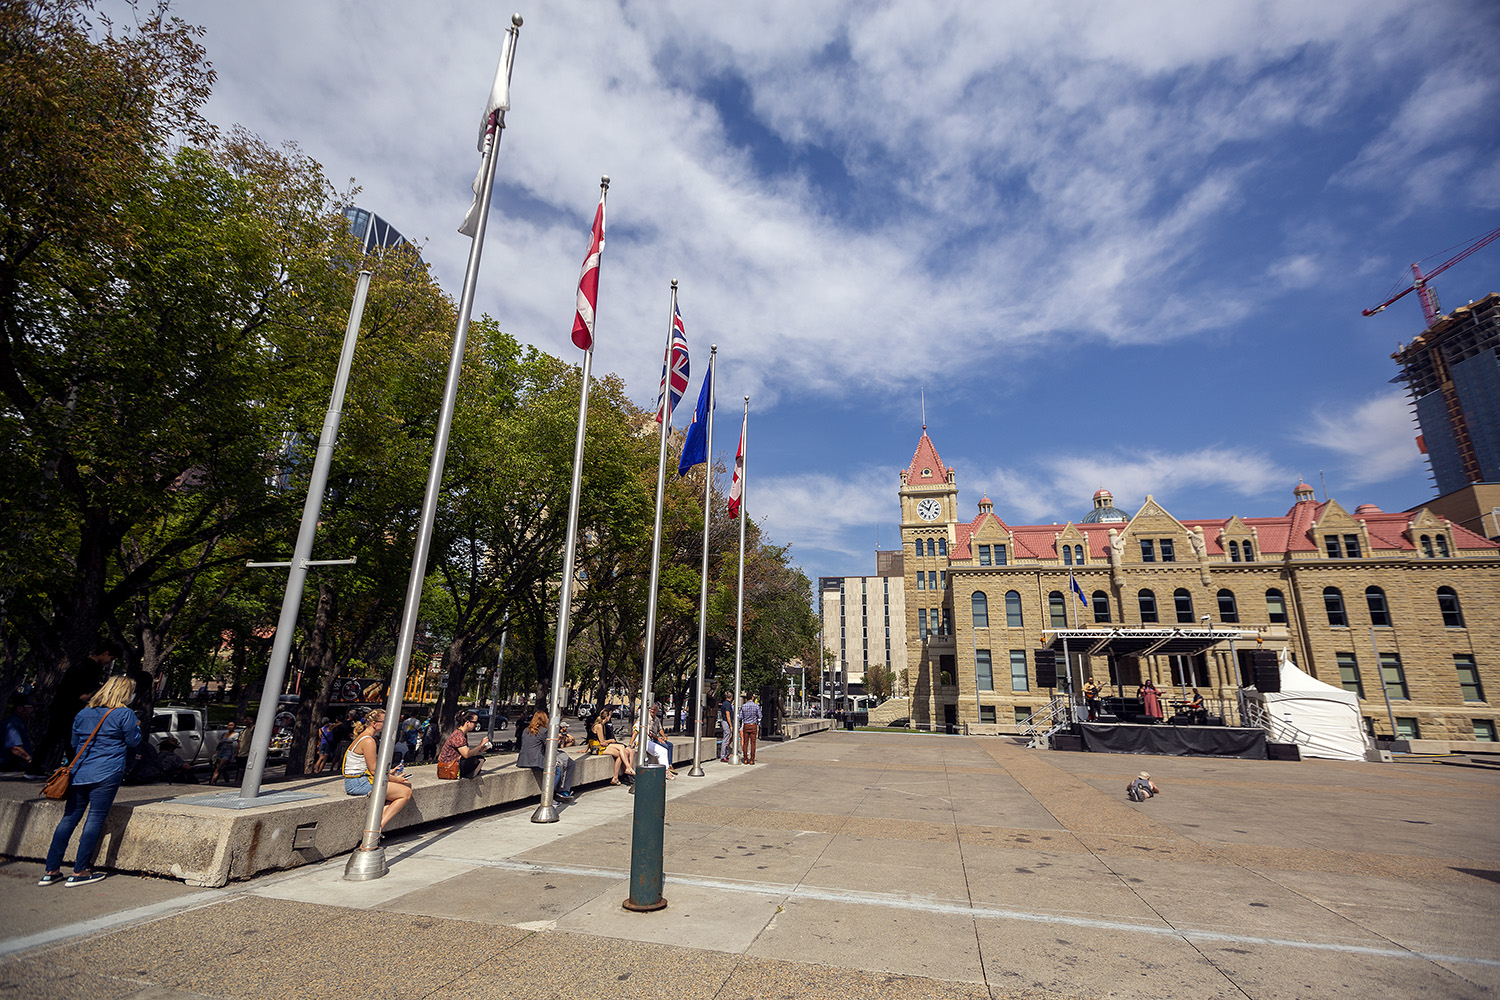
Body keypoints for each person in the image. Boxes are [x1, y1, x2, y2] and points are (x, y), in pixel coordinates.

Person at [39, 676, 142, 886]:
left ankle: (51, 870)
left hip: (79, 772)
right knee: (94, 819)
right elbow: (133, 741)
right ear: (125, 693)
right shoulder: (125, 713)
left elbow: (75, 742)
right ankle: (80, 871)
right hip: (107, 771)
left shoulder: (84, 713)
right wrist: (137, 726)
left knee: (68, 819)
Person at [343, 709, 412, 833]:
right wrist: (396, 779)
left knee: (406, 785)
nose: (387, 725)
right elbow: (374, 771)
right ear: (374, 724)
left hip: (358, 780)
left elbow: (368, 767)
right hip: (358, 783)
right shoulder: (368, 741)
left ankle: (377, 823)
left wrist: (389, 773)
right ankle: (376, 829)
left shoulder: (364, 737)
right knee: (405, 793)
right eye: (384, 722)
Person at [517, 709, 576, 801]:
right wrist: (558, 740)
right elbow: (550, 747)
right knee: (556, 771)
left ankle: (558, 792)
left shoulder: (526, 730)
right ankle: (549, 797)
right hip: (536, 760)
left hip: (523, 759)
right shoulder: (544, 731)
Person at [438, 710, 491, 779]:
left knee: (479, 758)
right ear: (467, 722)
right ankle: (469, 775)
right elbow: (466, 754)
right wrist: (481, 744)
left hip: (453, 763)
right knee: (476, 761)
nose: (476, 725)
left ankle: (471, 774)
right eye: (475, 722)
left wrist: (480, 750)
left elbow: (466, 753)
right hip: (448, 766)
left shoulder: (462, 733)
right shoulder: (458, 736)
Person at [589, 709, 636, 785]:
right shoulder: (599, 726)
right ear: (607, 717)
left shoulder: (602, 725)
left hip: (600, 746)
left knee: (620, 753)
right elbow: (602, 742)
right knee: (621, 748)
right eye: (610, 716)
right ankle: (628, 767)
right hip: (597, 748)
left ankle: (615, 778)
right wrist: (610, 740)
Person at [2, 696, 35, 773]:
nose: (33, 709)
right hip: (8, 765)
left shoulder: (19, 721)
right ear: (20, 708)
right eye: (31, 707)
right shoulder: (14, 722)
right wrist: (29, 759)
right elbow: (15, 747)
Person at [740, 693, 761, 764]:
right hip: (753, 725)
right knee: (753, 743)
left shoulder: (744, 706)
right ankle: (752, 759)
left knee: (745, 743)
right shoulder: (756, 706)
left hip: (746, 725)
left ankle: (745, 758)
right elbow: (760, 716)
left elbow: (740, 716)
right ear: (752, 697)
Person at [718, 693, 734, 761]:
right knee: (726, 739)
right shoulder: (727, 704)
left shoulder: (724, 703)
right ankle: (723, 756)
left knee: (726, 738)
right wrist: (731, 725)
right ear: (731, 697)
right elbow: (727, 714)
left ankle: (724, 755)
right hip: (726, 722)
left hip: (724, 721)